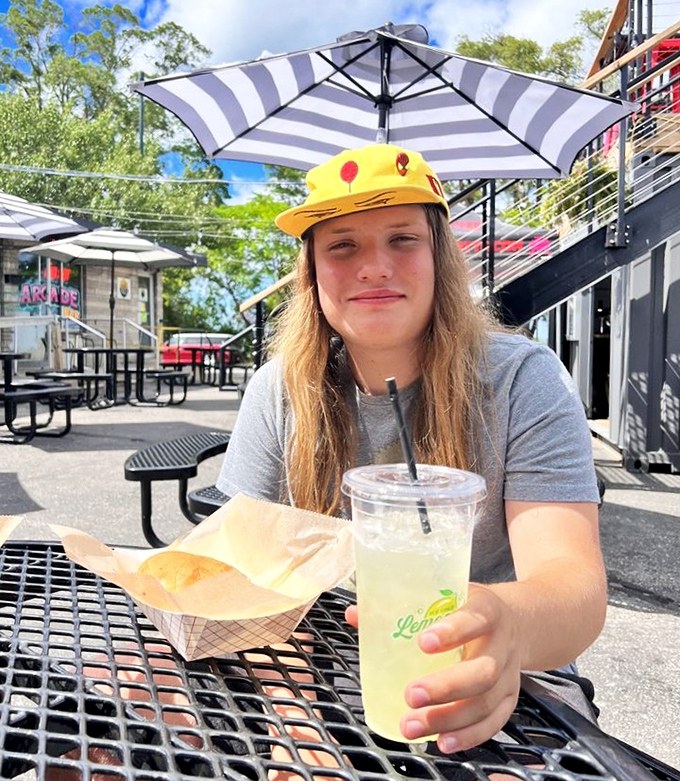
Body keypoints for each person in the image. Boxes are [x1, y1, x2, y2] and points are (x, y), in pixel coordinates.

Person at [217, 144, 606, 755]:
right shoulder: (279, 391)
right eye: (342, 245)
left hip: (512, 677)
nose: (374, 266)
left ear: (439, 258)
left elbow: (574, 589)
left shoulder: (521, 381)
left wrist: (505, 623)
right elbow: (254, 575)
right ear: (313, 273)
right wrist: (293, 720)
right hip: (324, 660)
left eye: (402, 238)